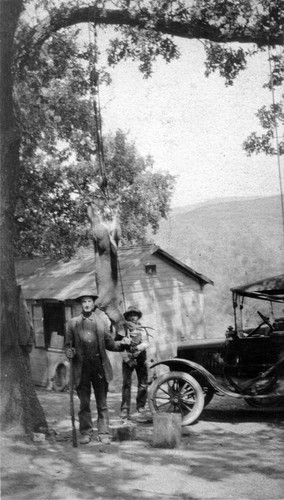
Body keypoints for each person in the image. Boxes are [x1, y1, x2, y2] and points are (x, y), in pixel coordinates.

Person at [65, 290, 130, 445]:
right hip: (81, 367)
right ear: (81, 304)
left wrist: (122, 344)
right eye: (84, 302)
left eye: (89, 301)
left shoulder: (101, 322)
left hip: (99, 366)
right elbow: (67, 346)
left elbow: (110, 344)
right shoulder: (72, 323)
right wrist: (69, 351)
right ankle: (86, 432)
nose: (87, 304)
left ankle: (104, 432)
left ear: (93, 304)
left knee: (102, 402)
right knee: (84, 403)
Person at [117, 306, 150, 421]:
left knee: (143, 384)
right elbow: (120, 347)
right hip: (128, 360)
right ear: (127, 317)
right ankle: (125, 409)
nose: (132, 318)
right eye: (130, 315)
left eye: (135, 315)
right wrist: (127, 359)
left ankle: (141, 406)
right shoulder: (123, 329)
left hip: (141, 358)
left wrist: (138, 348)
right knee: (126, 384)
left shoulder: (142, 329)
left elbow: (146, 343)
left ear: (138, 317)